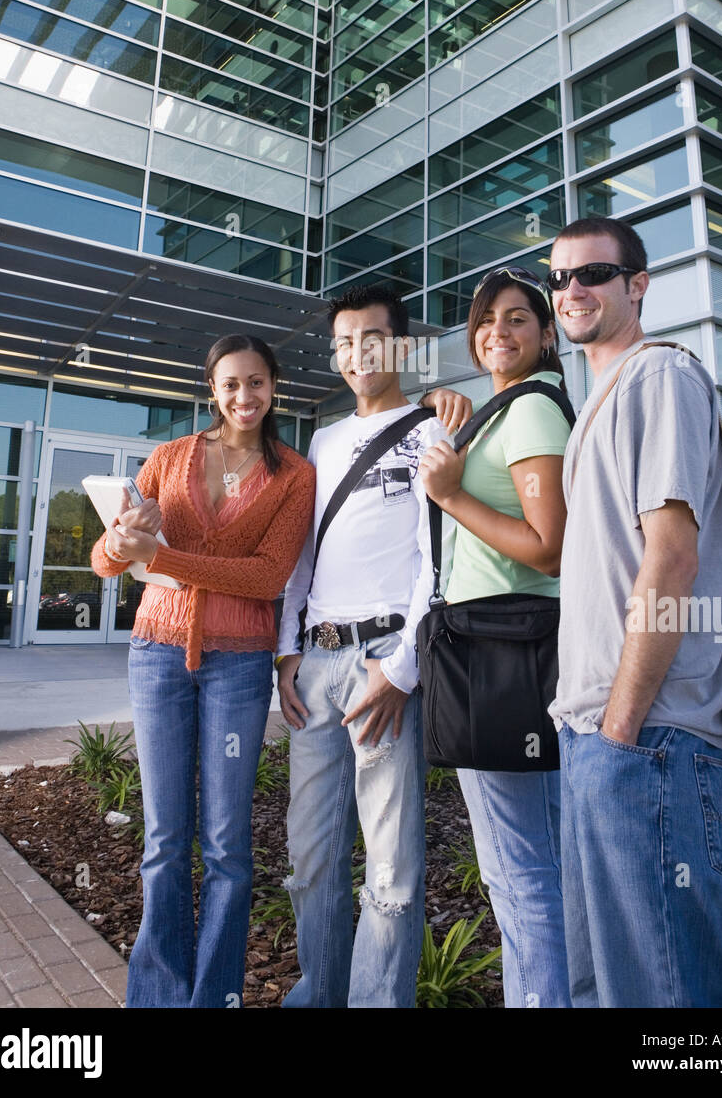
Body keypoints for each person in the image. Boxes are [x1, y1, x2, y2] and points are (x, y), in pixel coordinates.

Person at [546, 216, 722, 1008]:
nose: (572, 291)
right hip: (600, 735)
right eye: (558, 278)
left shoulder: (659, 376)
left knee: (670, 998)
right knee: (611, 989)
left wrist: (622, 727)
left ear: (638, 285)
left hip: (648, 738)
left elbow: (672, 557)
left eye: (593, 274)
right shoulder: (602, 398)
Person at [91, 334, 315, 1008]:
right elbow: (108, 565)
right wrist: (119, 539)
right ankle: (157, 996)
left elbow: (268, 575)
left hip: (240, 665)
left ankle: (214, 996)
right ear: (212, 391)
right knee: (163, 837)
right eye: (230, 385)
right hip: (158, 655)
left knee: (226, 844)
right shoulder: (170, 457)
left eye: (255, 383)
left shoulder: (293, 475)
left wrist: (161, 559)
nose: (244, 397)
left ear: (273, 387)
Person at [276, 284, 452, 1009]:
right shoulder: (320, 440)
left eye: (371, 339)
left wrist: (403, 669)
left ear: (401, 346)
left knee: (392, 865)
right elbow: (301, 557)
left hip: (384, 662)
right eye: (344, 342)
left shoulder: (433, 428)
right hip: (314, 664)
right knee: (311, 857)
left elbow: (434, 559)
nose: (355, 355)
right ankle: (320, 994)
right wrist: (286, 652)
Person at [419, 264, 572, 1009]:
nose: (498, 332)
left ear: (547, 336)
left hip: (512, 649)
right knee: (527, 864)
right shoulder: (500, 410)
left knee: (522, 870)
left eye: (517, 318)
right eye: (486, 320)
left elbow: (548, 545)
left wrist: (448, 495)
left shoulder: (535, 412)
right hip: (493, 645)